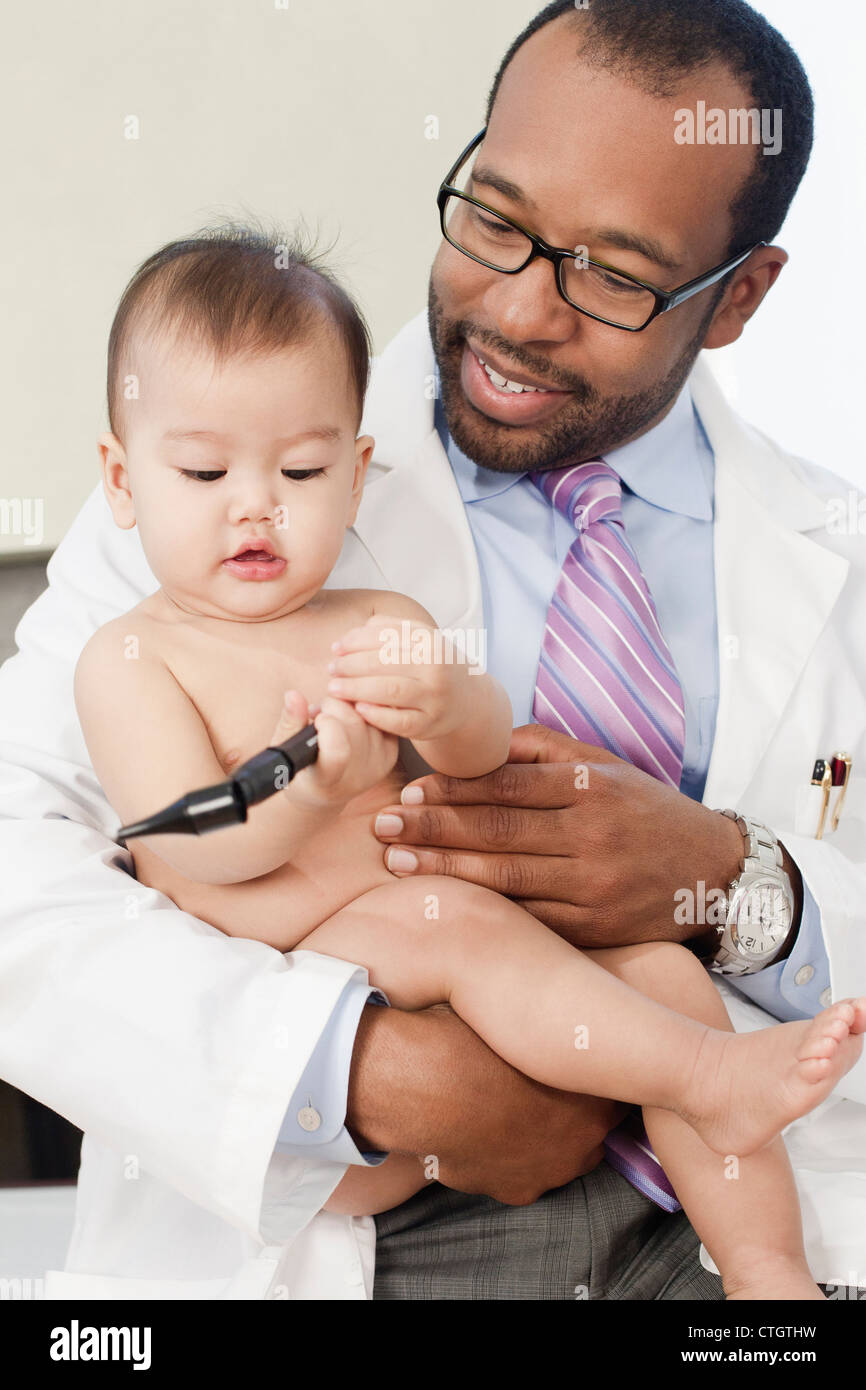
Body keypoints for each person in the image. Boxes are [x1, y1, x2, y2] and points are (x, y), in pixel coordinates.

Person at [0, 0, 863, 1301]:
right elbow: (19, 869)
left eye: (616, 275)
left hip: (737, 1195)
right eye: (494, 219)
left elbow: (476, 730)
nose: (519, 308)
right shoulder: (217, 489)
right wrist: (357, 1066)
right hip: (369, 1219)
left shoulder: (832, 548)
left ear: (737, 295)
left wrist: (739, 886)